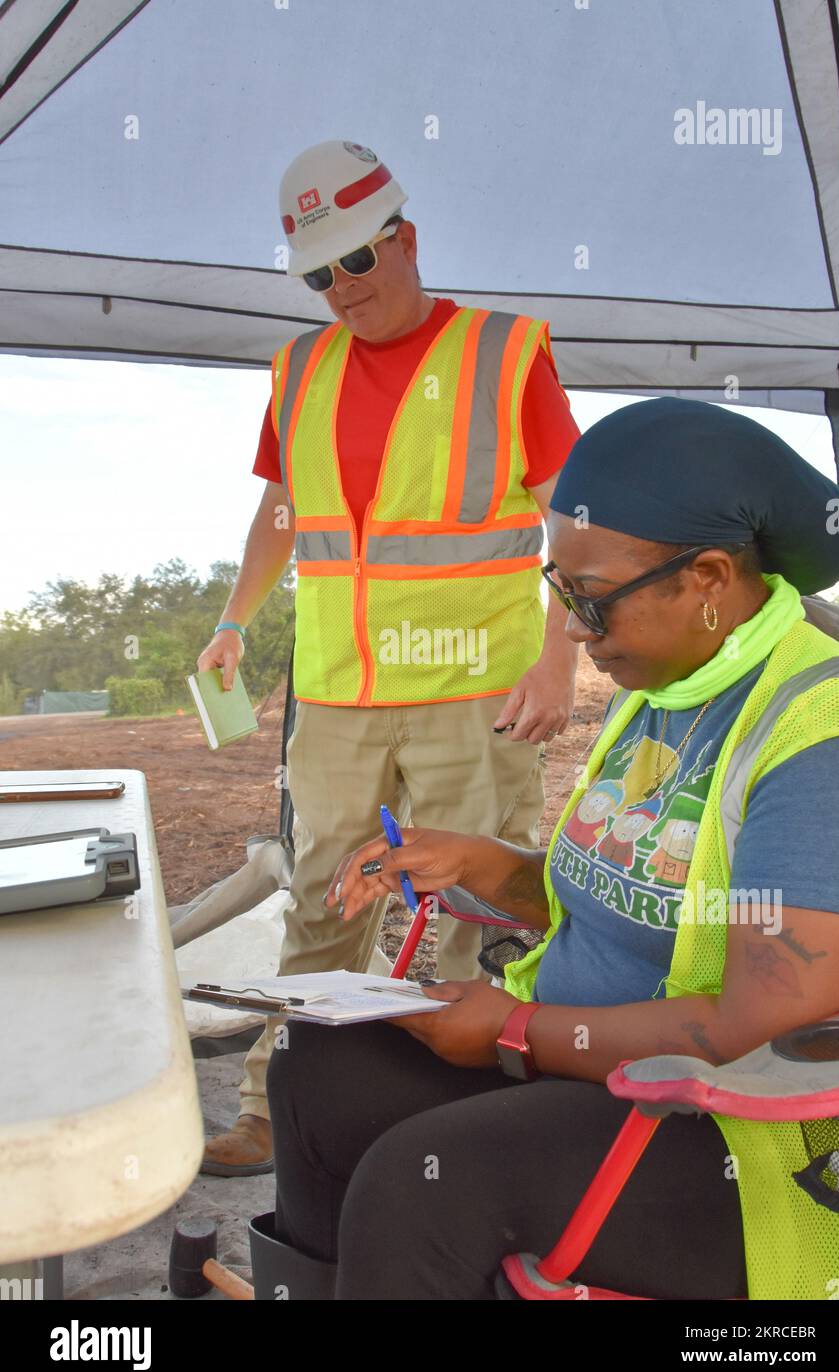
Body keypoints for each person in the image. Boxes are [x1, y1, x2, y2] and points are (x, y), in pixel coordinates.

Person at [261, 396, 839, 1300]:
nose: (577, 630)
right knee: (319, 1070)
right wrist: (486, 865)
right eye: (561, 591)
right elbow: (637, 900)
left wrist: (514, 1031)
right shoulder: (665, 682)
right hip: (586, 1071)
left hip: (734, 1137)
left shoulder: (825, 730)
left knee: (423, 1184)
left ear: (706, 577)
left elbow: (766, 1024)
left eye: (592, 601)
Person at [197, 140, 580, 1175]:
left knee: (466, 914)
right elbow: (281, 509)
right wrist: (235, 616)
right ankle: (282, 1112)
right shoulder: (299, 367)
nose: (341, 290)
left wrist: (558, 658)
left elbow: (574, 521)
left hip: (473, 691)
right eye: (318, 275)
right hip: (336, 692)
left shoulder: (504, 352)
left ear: (405, 238)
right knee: (323, 902)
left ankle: (434, 1119)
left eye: (357, 262)